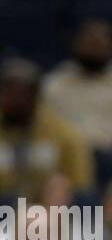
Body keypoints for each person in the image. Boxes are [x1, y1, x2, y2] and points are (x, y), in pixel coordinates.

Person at [41, 18, 112, 152]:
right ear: (75, 44)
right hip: (69, 158)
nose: (94, 47)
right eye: (89, 42)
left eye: (100, 43)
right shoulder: (52, 86)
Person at [0, 58, 93, 197]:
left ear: (36, 96)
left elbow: (80, 187)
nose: (15, 100)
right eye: (9, 92)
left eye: (22, 93)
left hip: (50, 209)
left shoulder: (64, 135)